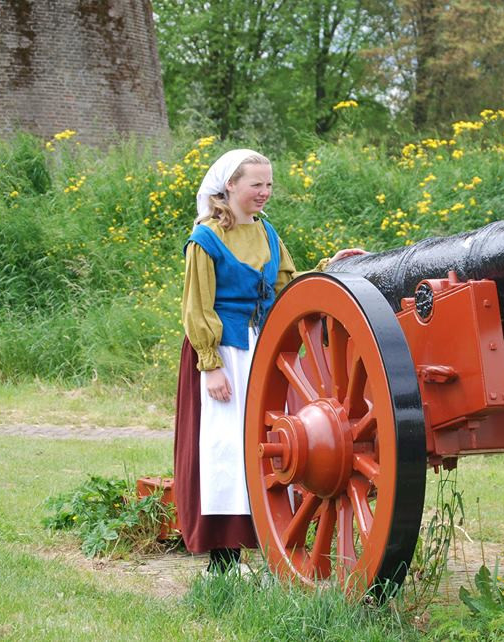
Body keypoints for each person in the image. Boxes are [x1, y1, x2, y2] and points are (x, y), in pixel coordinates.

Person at [173, 148, 364, 572]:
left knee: (266, 442)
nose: (264, 192)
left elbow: (287, 289)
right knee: (224, 444)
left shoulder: (267, 233)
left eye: (269, 184)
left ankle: (264, 541)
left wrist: (331, 269)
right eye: (256, 184)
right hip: (223, 353)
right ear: (230, 186)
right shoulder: (205, 239)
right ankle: (222, 560)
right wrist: (211, 364)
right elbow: (196, 307)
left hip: (261, 349)